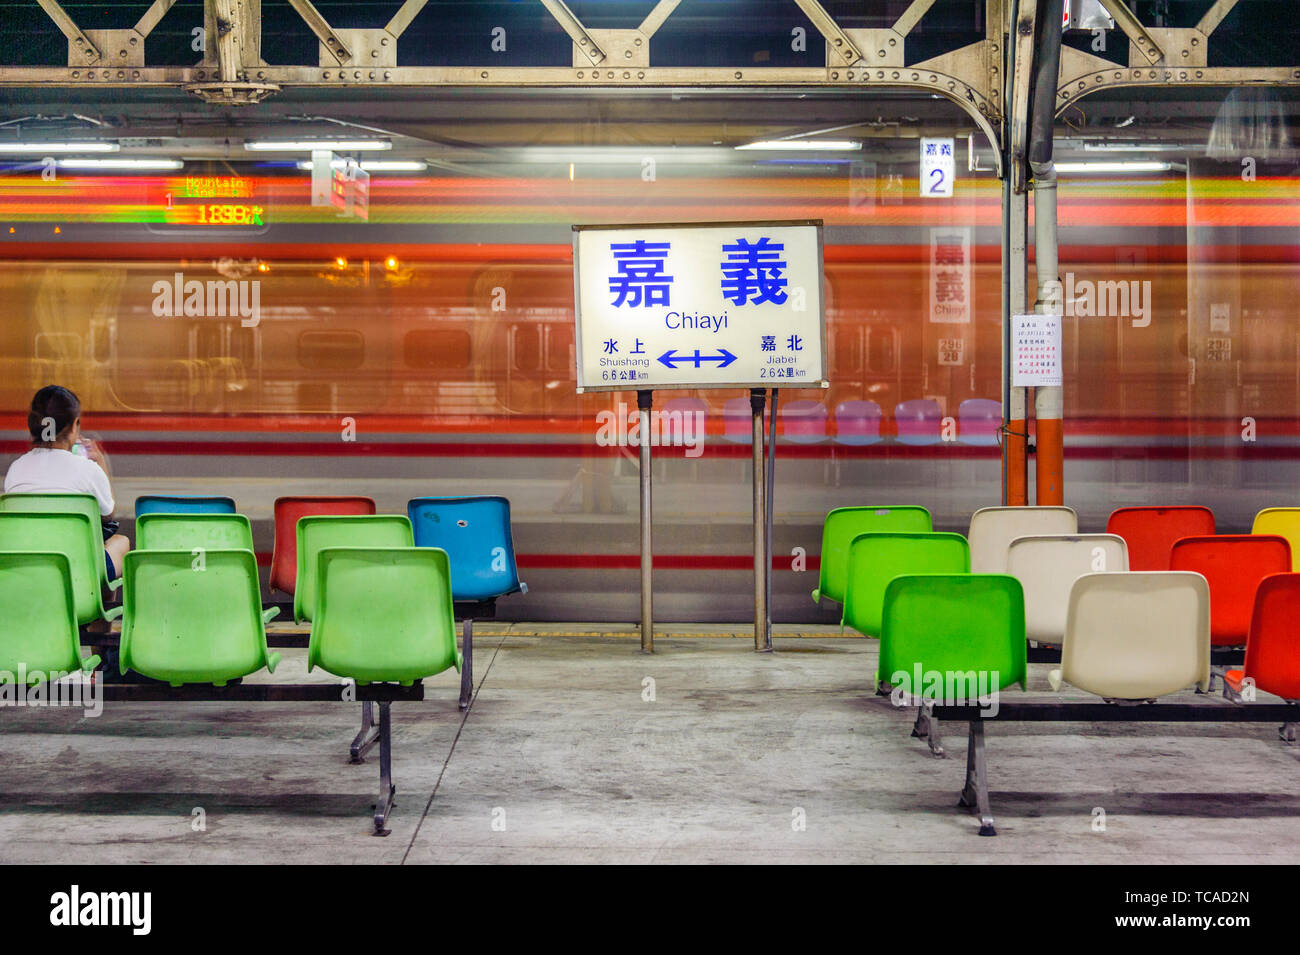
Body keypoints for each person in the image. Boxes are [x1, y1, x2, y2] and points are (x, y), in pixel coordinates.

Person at [4, 385, 131, 581]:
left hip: (27, 569)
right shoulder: (88, 469)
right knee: (121, 543)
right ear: (74, 426)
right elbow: (108, 513)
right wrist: (101, 464)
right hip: (79, 571)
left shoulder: (16, 469)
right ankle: (94, 598)